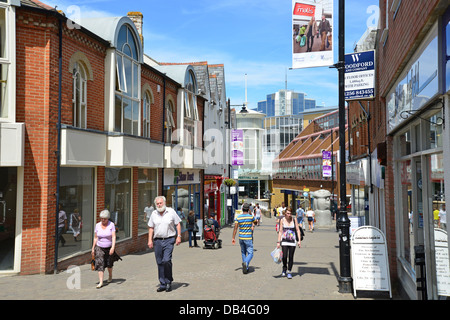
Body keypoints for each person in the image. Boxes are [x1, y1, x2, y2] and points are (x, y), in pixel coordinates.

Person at [148, 196, 182, 292]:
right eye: (157, 204)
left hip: (169, 239)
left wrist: (179, 236)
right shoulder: (154, 214)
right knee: (159, 262)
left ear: (165, 203)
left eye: (160, 203)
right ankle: (162, 283)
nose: (159, 205)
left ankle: (168, 281)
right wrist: (149, 240)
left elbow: (178, 223)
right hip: (157, 241)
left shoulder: (171, 212)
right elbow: (151, 227)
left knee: (166, 260)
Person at [91, 209, 120, 289]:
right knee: (100, 263)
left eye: (105, 219)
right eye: (101, 218)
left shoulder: (111, 225)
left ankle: (110, 276)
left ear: (107, 218)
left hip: (109, 247)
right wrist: (93, 248)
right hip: (99, 247)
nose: (103, 220)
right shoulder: (97, 225)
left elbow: (113, 237)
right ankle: (101, 282)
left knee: (109, 264)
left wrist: (113, 247)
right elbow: (95, 238)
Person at [277, 207, 301, 279]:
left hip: (292, 241)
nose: (289, 215)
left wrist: (299, 240)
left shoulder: (294, 219)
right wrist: (278, 242)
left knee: (291, 257)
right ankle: (284, 269)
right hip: (284, 240)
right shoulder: (282, 220)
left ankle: (289, 271)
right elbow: (280, 231)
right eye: (287, 213)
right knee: (284, 256)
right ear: (285, 213)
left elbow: (297, 230)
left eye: (290, 213)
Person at [232, 203, 256, 274]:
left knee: (243, 252)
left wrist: (233, 238)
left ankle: (245, 267)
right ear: (248, 209)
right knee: (250, 253)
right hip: (248, 237)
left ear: (242, 209)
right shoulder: (250, 217)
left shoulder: (238, 217)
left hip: (241, 237)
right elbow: (255, 222)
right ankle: (245, 262)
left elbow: (235, 228)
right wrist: (251, 213)